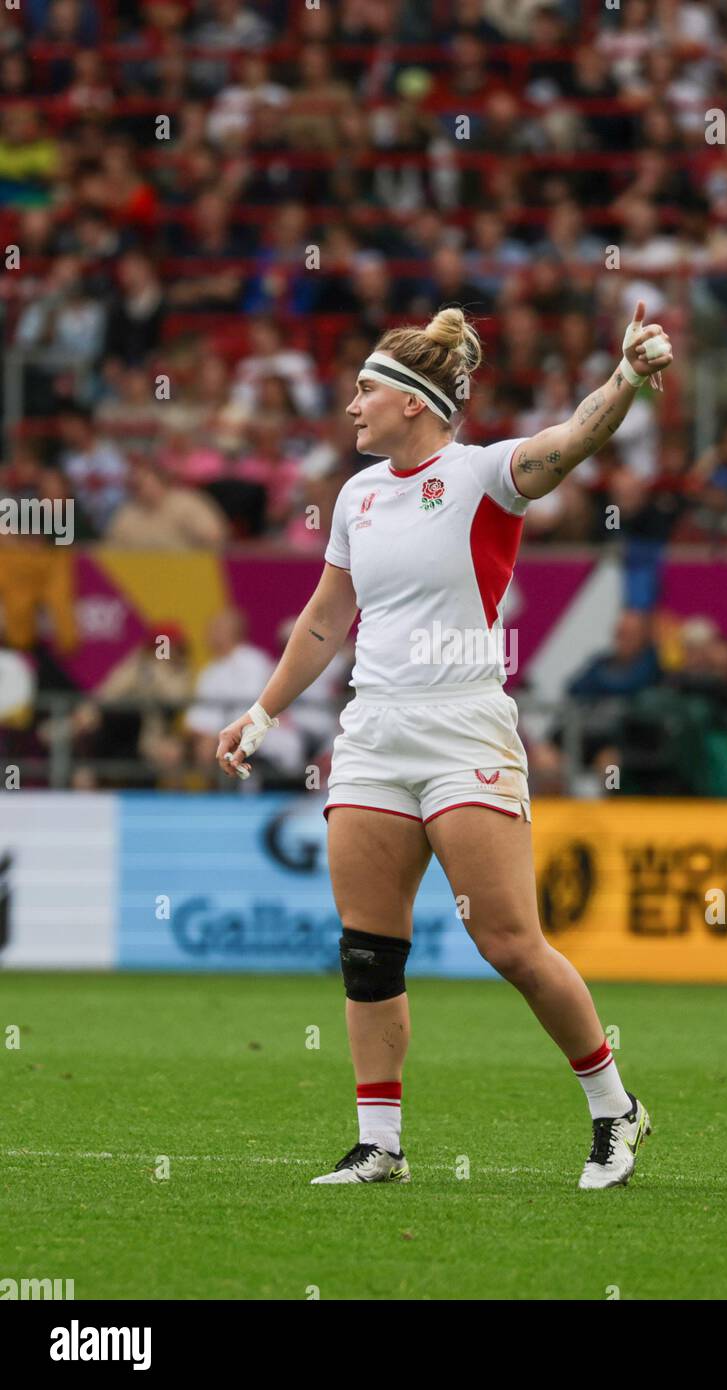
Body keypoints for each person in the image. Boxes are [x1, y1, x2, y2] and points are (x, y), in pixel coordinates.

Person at [215, 302, 673, 1191]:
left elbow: (574, 438)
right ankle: (379, 1143)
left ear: (413, 404)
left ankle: (616, 1109)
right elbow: (325, 619)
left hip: (464, 725)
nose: (351, 406)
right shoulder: (356, 496)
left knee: (508, 943)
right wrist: (263, 713)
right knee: (368, 951)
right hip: (374, 732)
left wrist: (625, 376)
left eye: (365, 391)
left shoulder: (483, 476)